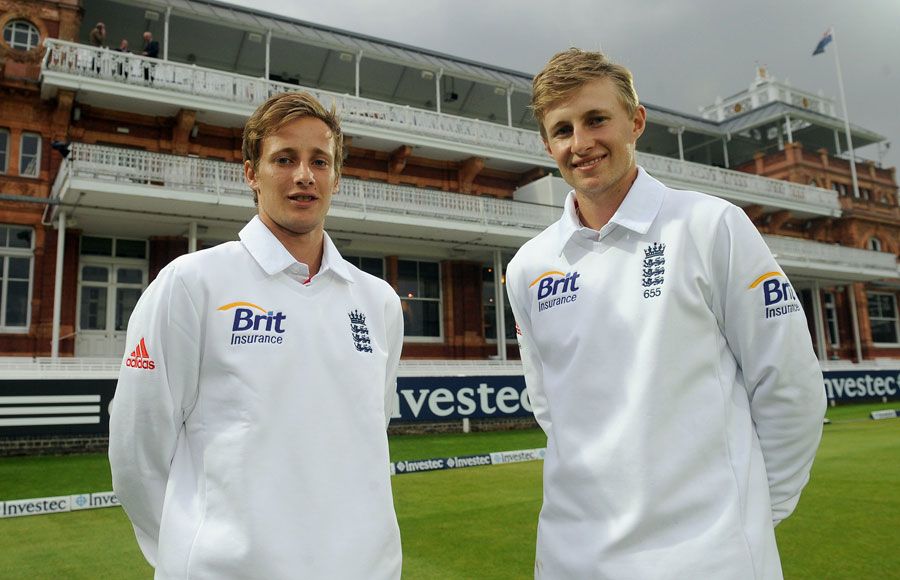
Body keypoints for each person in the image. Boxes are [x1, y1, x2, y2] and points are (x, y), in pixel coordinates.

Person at [505, 48, 826, 579]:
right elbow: (552, 411)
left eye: (596, 119)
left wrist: (750, 517)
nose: (581, 143)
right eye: (562, 129)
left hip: (710, 560)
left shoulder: (711, 226)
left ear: (636, 122)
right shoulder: (527, 267)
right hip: (572, 558)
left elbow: (789, 384)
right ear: (547, 144)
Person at [109, 91, 404, 579]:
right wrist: (197, 553)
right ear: (251, 172)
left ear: (336, 176)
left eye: (319, 161)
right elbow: (137, 451)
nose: (304, 175)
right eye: (284, 159)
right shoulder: (192, 282)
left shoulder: (379, 302)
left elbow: (371, 432)